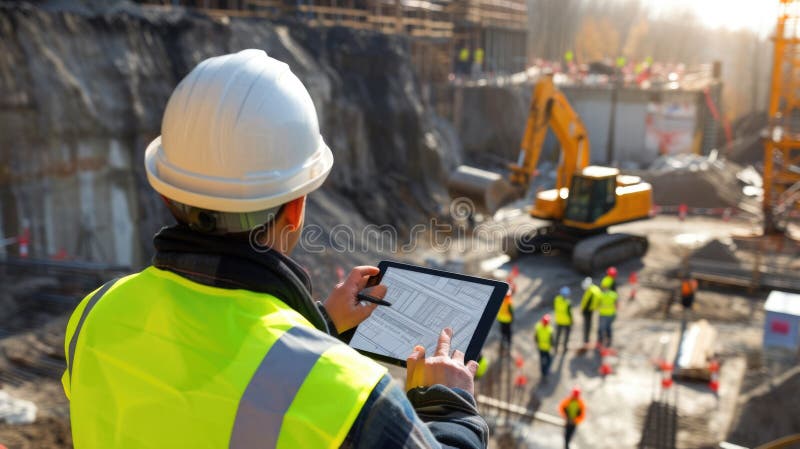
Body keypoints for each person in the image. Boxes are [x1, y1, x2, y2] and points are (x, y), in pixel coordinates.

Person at [62, 50, 488, 449]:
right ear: (296, 209)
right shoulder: (352, 395)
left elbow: (203, 393)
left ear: (167, 194)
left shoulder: (94, 315)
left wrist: (319, 324)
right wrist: (447, 408)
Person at [597, 276, 619, 348]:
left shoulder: (601, 295)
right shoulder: (614, 294)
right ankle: (609, 342)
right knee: (609, 328)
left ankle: (600, 342)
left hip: (603, 314)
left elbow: (597, 304)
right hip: (611, 314)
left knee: (601, 329)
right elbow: (617, 305)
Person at [580, 277, 601, 346]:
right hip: (591, 309)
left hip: (587, 310)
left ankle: (586, 340)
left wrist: (582, 309)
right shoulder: (596, 289)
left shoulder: (590, 291)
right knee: (589, 325)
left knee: (587, 325)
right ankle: (587, 339)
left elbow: (585, 301)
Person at [553, 286, 573, 353]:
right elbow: (569, 314)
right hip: (566, 322)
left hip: (559, 320)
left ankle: (555, 348)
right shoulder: (568, 303)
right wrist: (572, 320)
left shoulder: (556, 300)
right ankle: (565, 348)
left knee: (558, 335)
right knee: (566, 335)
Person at [534, 314, 554, 378]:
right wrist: (552, 345)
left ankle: (543, 371)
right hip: (546, 347)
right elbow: (551, 340)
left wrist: (537, 343)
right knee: (549, 359)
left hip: (540, 346)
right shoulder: (549, 330)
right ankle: (546, 370)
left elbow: (536, 337)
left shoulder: (538, 327)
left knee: (542, 359)